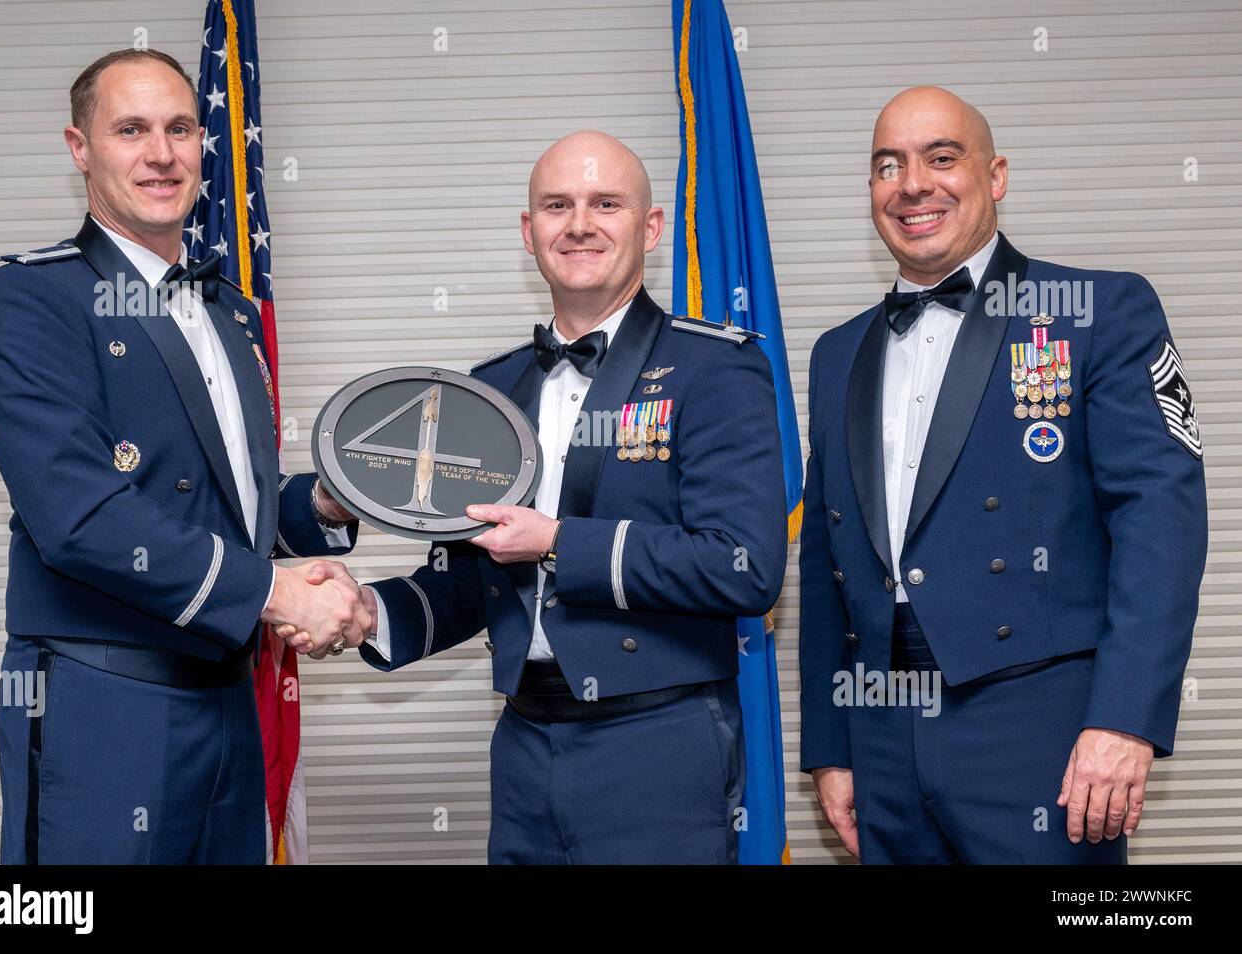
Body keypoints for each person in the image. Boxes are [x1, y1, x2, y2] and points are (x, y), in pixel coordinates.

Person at [285, 130, 787, 864]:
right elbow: (466, 583)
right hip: (523, 745)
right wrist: (369, 615)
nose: (579, 224)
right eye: (557, 205)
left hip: (660, 745)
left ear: (649, 227)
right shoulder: (489, 389)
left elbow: (743, 567)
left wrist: (557, 541)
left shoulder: (715, 367)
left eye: (605, 203)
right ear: (529, 232)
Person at [0, 48, 371, 864]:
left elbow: (220, 507)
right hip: (101, 704)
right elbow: (80, 517)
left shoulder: (232, 314)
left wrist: (325, 502)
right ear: (81, 147)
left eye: (180, 128)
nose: (162, 153)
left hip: (226, 701)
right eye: (132, 129)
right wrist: (274, 591)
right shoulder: (33, 298)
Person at [798, 86, 1208, 863]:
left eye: (941, 157)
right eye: (888, 165)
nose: (913, 183)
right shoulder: (835, 352)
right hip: (882, 729)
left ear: (997, 176)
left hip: (1043, 730)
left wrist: (1123, 721)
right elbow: (826, 560)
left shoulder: (1096, 311)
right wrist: (832, 745)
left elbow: (1162, 522)